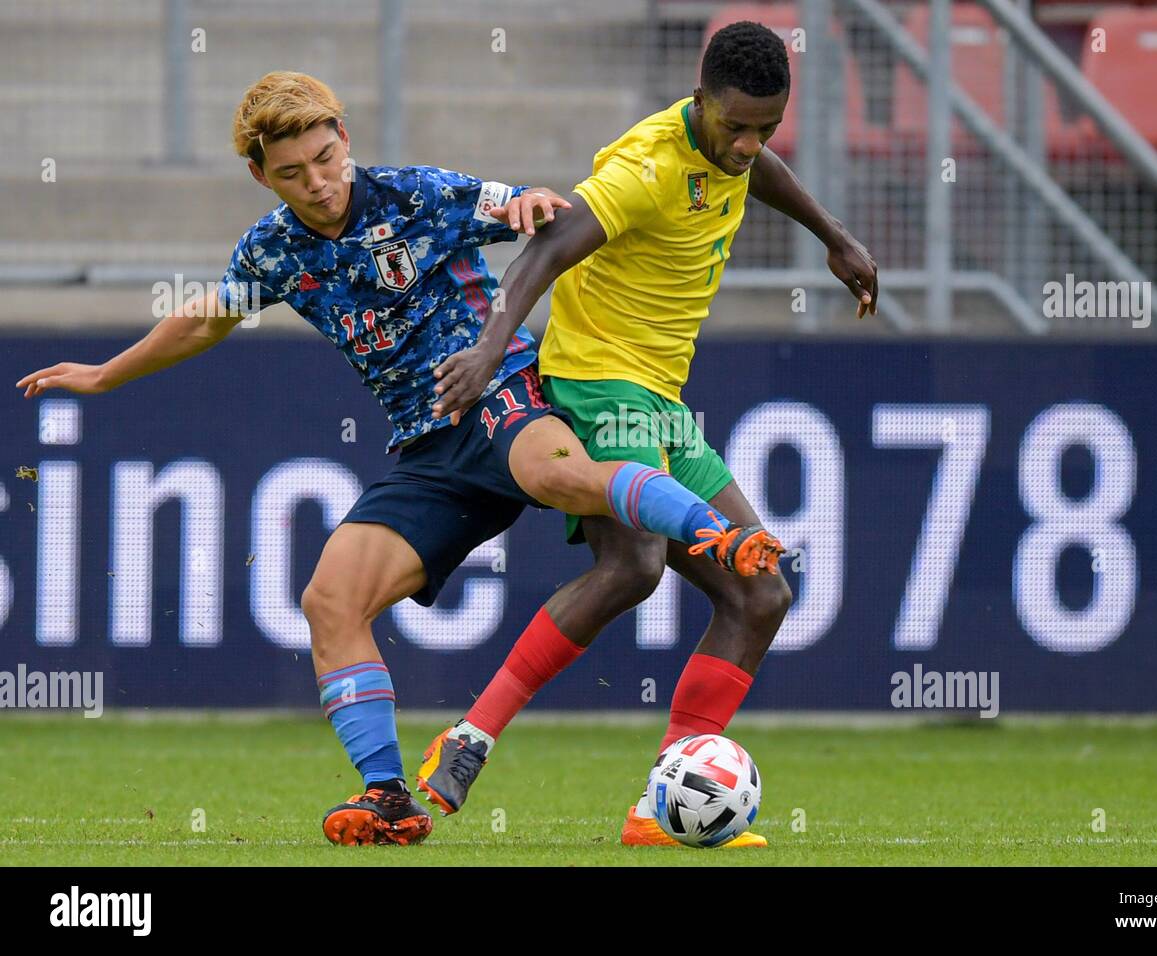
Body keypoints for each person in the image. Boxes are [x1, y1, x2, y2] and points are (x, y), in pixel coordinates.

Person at [14, 71, 784, 847]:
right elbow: (210, 315)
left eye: (325, 158)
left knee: (560, 477)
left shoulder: (418, 195)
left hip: (502, 393)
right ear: (260, 176)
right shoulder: (274, 249)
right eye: (291, 173)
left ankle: (713, 531)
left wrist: (524, 203)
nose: (317, 184)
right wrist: (105, 374)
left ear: (345, 139)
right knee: (330, 600)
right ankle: (388, 797)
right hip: (428, 451)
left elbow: (532, 212)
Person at [418, 22, 878, 848]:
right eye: (734, 125)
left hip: (661, 398)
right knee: (633, 564)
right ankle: (469, 739)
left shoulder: (732, 146)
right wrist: (490, 348)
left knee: (760, 591)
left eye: (765, 127)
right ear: (698, 100)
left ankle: (661, 809)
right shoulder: (646, 168)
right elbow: (551, 243)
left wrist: (833, 235)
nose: (747, 144)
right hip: (599, 378)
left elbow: (757, 169)